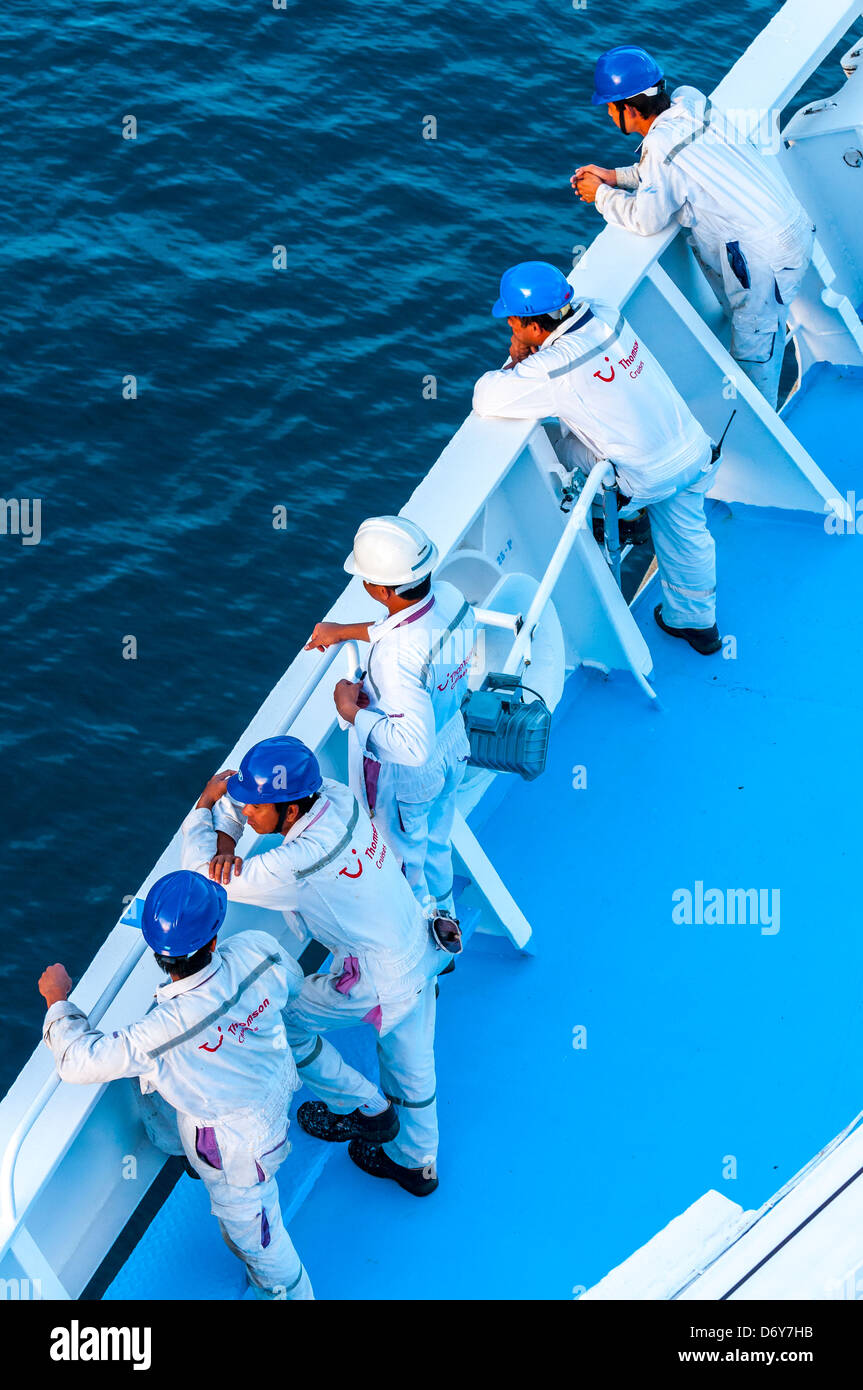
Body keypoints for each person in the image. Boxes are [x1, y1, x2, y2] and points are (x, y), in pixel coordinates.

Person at [183, 734, 446, 1196]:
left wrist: (206, 808)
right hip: (421, 944)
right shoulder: (336, 797)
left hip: (378, 980)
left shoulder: (295, 862)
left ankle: (358, 1107)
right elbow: (237, 845)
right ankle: (417, 1166)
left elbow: (205, 872)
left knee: (283, 1022)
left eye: (254, 806)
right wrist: (235, 810)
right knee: (413, 1069)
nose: (246, 811)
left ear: (289, 811)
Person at [38, 870, 313, 1300]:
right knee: (252, 1224)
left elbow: (77, 1061)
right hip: (272, 1101)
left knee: (260, 1240)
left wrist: (58, 1000)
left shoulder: (160, 1031)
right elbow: (292, 983)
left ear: (158, 951)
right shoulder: (255, 950)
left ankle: (289, 1292)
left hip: (238, 1151)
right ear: (213, 938)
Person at [472, 260, 723, 655]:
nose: (510, 328)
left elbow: (486, 397)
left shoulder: (554, 366)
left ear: (534, 327)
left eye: (513, 323)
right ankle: (697, 625)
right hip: (693, 450)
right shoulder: (606, 313)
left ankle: (616, 518)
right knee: (690, 537)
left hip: (644, 478)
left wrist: (519, 352)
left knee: (557, 446)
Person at [572, 45, 814, 408]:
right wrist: (616, 177)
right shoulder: (691, 100)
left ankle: (766, 437)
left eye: (609, 106)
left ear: (629, 109)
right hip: (787, 232)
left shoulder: (662, 146)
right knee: (763, 330)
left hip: (765, 259)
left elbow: (646, 218)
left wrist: (602, 194)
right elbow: (675, 169)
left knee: (753, 364)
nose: (607, 112)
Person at [305, 515, 476, 940]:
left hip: (411, 777)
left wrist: (351, 711)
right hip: (453, 741)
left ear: (379, 590)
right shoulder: (452, 599)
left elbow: (411, 747)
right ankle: (447, 914)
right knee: (438, 841)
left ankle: (427, 947)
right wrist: (344, 631)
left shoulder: (395, 657)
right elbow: (410, 631)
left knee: (405, 864)